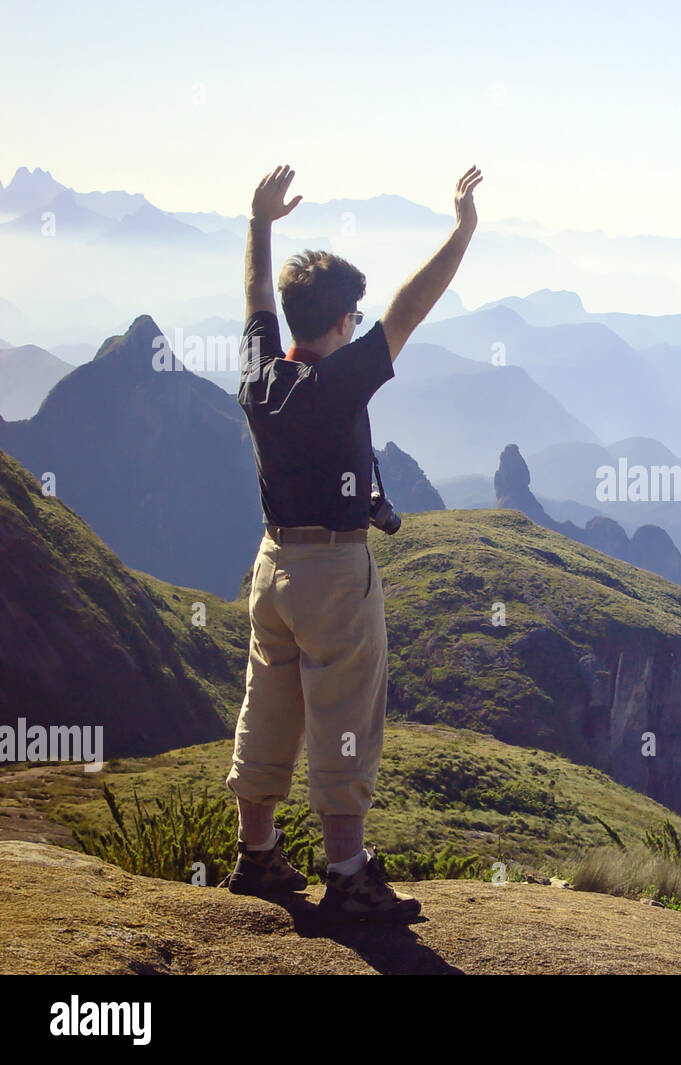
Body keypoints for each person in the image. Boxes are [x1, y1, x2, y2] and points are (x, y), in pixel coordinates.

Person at [221, 163, 482, 921]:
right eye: (355, 318)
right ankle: (346, 873)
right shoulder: (340, 384)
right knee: (344, 717)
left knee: (266, 705)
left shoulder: (260, 376)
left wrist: (259, 222)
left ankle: (257, 853)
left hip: (271, 567)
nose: (362, 325)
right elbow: (411, 306)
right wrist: (462, 230)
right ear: (341, 325)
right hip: (335, 571)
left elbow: (255, 300)